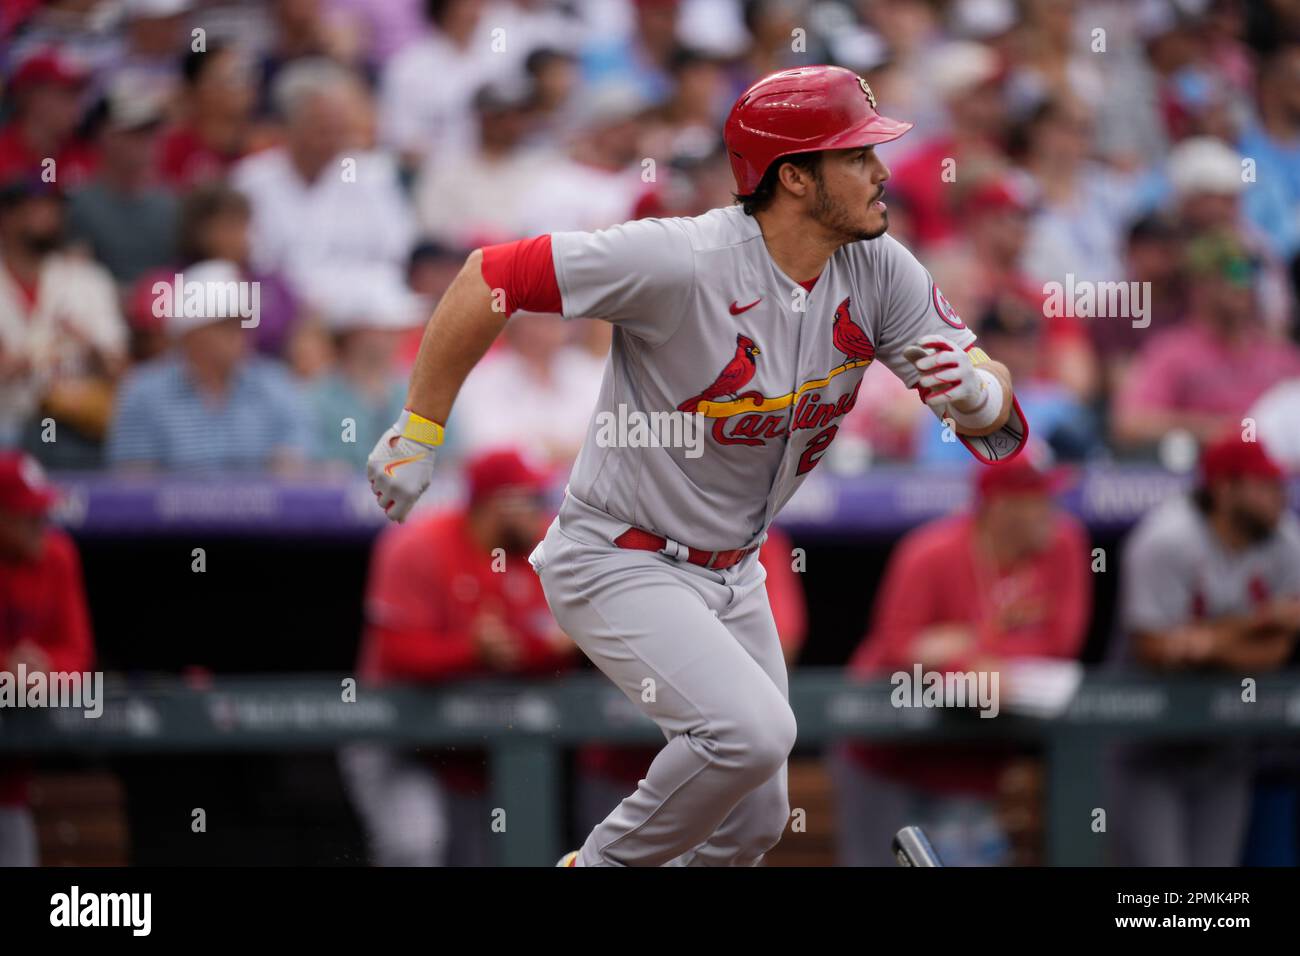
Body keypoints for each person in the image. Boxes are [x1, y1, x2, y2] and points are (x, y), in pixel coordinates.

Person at [367, 65, 1028, 868]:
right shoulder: (681, 258)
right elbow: (489, 278)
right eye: (856, 155)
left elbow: (1001, 416)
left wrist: (979, 397)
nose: (881, 171)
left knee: (752, 824)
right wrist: (420, 427)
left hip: (735, 569)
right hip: (619, 554)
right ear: (794, 176)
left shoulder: (880, 268)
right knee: (751, 733)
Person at [831, 455, 1090, 866]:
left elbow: (1062, 643)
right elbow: (899, 648)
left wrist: (966, 648)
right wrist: (973, 660)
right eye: (1038, 498)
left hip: (971, 762)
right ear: (1001, 506)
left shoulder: (1064, 545)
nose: (1051, 511)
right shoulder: (930, 551)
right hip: (889, 754)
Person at [340, 448, 576, 866]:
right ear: (497, 504)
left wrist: (514, 650)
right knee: (416, 845)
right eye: (533, 501)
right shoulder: (416, 545)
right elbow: (398, 654)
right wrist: (472, 650)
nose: (545, 514)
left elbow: (548, 649)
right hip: (397, 733)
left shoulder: (534, 554)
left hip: (473, 747)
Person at [1110, 432, 1300, 866]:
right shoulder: (1166, 539)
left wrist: (1204, 641)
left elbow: (1277, 651)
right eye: (1265, 485)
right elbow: (1155, 648)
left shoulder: (1287, 539)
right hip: (1148, 743)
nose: (1279, 496)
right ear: (1224, 488)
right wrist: (1258, 622)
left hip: (1225, 746)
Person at [107, 259, 313, 473]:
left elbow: (295, 470)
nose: (241, 334)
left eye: (244, 322)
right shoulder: (143, 393)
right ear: (191, 333)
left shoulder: (277, 385)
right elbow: (133, 482)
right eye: (227, 324)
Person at [0, 452, 95, 867]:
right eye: (27, 515)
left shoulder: (58, 556)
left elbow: (79, 655)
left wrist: (45, 670)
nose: (42, 525)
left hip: (10, 792)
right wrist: (7, 670)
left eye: (43, 513)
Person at [0, 178, 127, 462]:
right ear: (6, 216)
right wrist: (18, 363)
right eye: (35, 208)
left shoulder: (88, 280)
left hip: (74, 426)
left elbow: (120, 371)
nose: (48, 216)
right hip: (7, 424)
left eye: (53, 208)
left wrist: (92, 349)